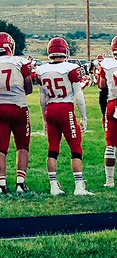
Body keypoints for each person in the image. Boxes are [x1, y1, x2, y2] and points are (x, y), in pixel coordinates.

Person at [35, 36, 88, 195]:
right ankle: (79, 187)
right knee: (76, 147)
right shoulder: (70, 68)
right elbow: (78, 94)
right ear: (65, 50)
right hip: (65, 109)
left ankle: (54, 187)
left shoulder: (41, 70)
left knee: (53, 149)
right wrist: (84, 116)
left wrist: (44, 118)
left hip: (50, 109)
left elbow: (42, 98)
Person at [0, 30, 34, 195]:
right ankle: (20, 183)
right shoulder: (20, 62)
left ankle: (1, 184)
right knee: (22, 145)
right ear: (10, 46)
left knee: (0, 146)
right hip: (18, 107)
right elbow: (29, 87)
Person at [98, 36, 117, 188]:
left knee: (110, 144)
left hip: (113, 103)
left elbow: (102, 85)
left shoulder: (106, 64)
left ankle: (109, 181)